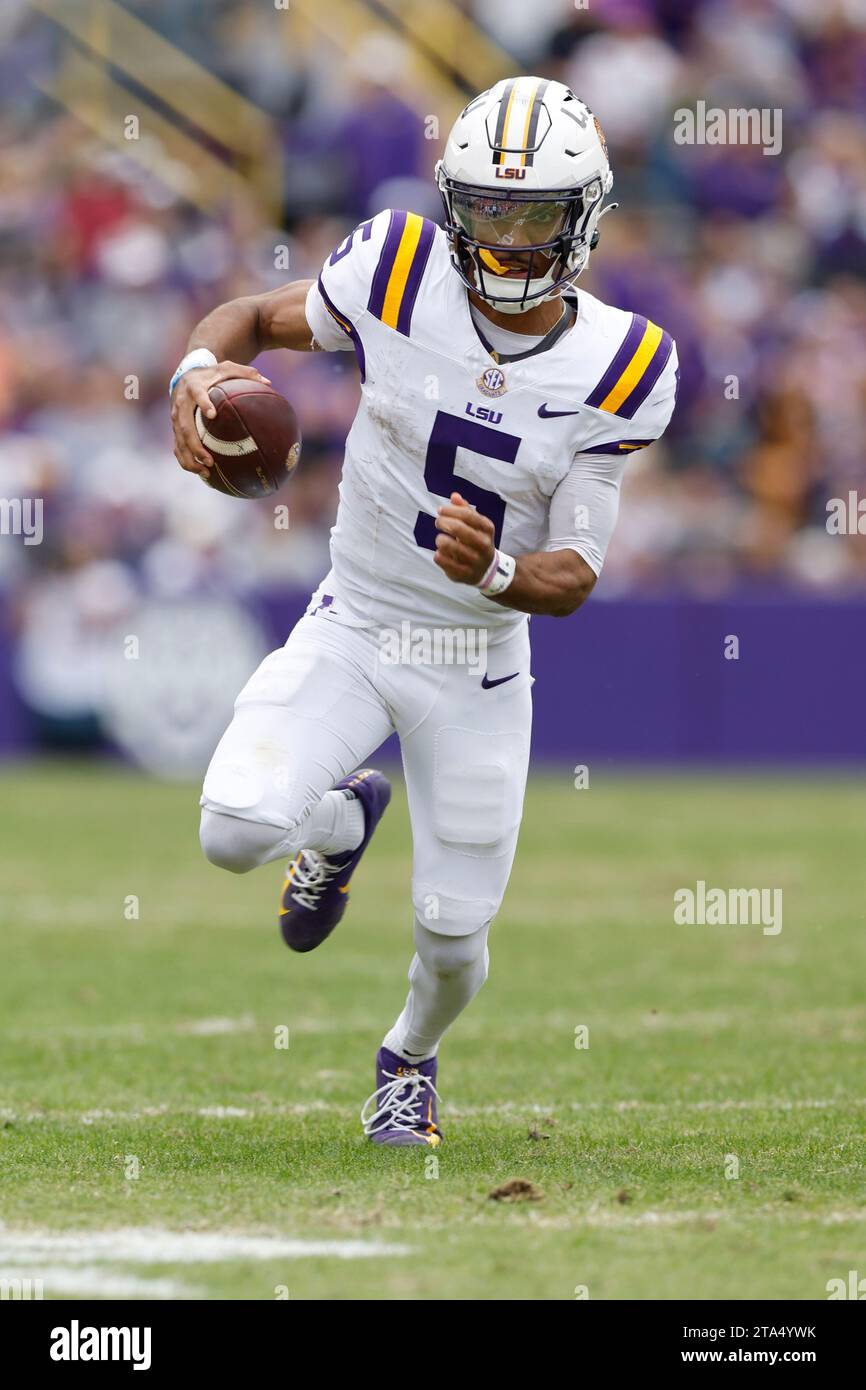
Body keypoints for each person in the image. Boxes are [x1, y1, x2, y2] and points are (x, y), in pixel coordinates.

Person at [169, 78, 678, 1147]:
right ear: (452, 205)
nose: (504, 237)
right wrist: (198, 371)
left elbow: (575, 571)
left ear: (580, 217)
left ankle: (406, 1059)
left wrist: (496, 572)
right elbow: (255, 318)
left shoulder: (623, 362)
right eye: (487, 211)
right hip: (354, 617)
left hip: (476, 659)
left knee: (452, 937)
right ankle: (338, 820)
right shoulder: (397, 266)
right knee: (230, 830)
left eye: (532, 213)